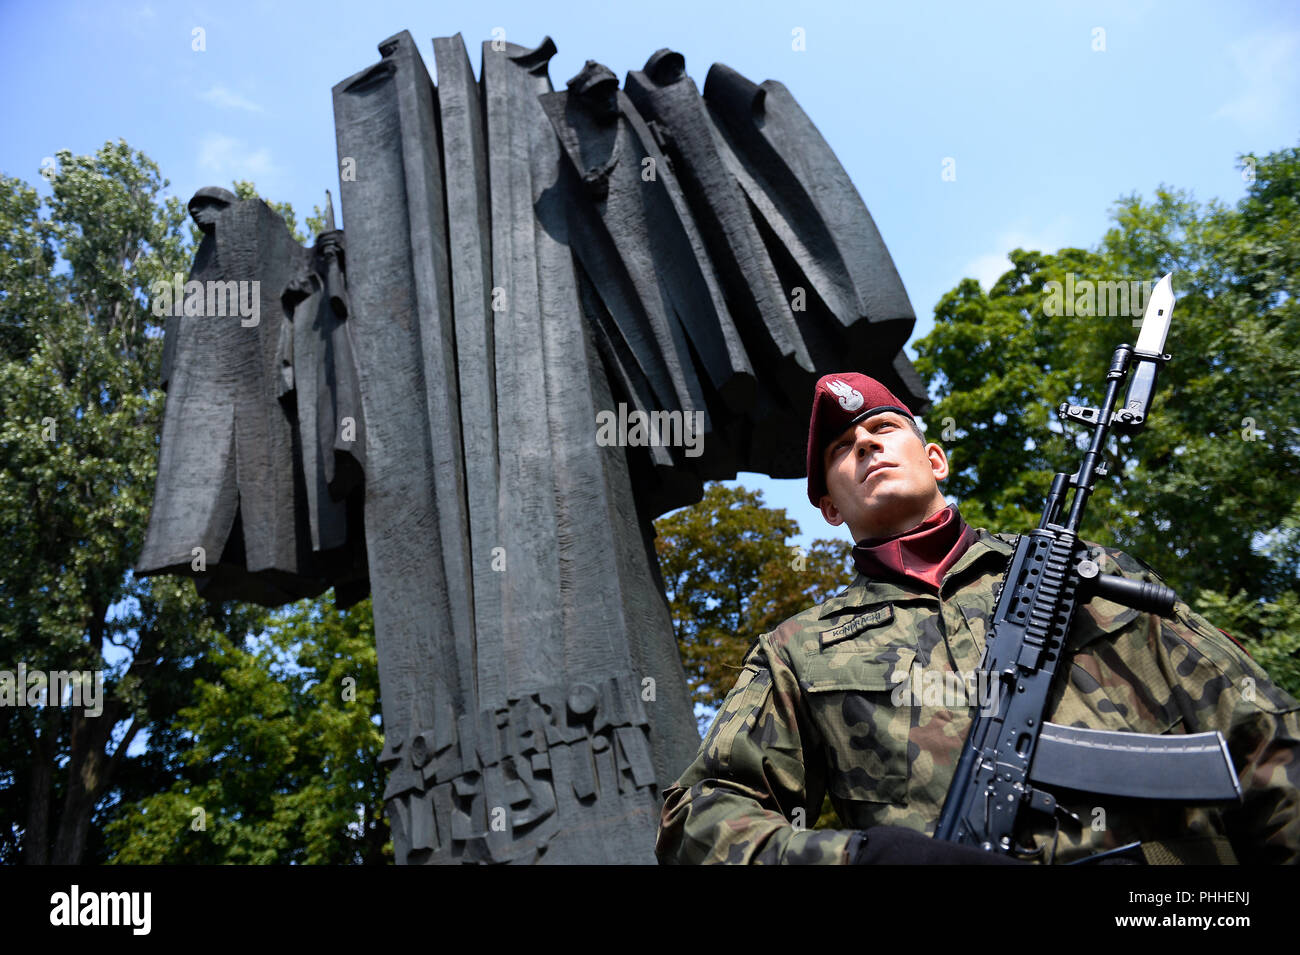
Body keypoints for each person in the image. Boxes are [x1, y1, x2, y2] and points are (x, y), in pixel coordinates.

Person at [655, 372, 1300, 864]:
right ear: (829, 507)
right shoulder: (798, 650)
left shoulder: (1097, 576)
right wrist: (857, 857)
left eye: (884, 430)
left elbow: (1267, 741)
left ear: (935, 459)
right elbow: (700, 817)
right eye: (844, 449)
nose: (867, 446)